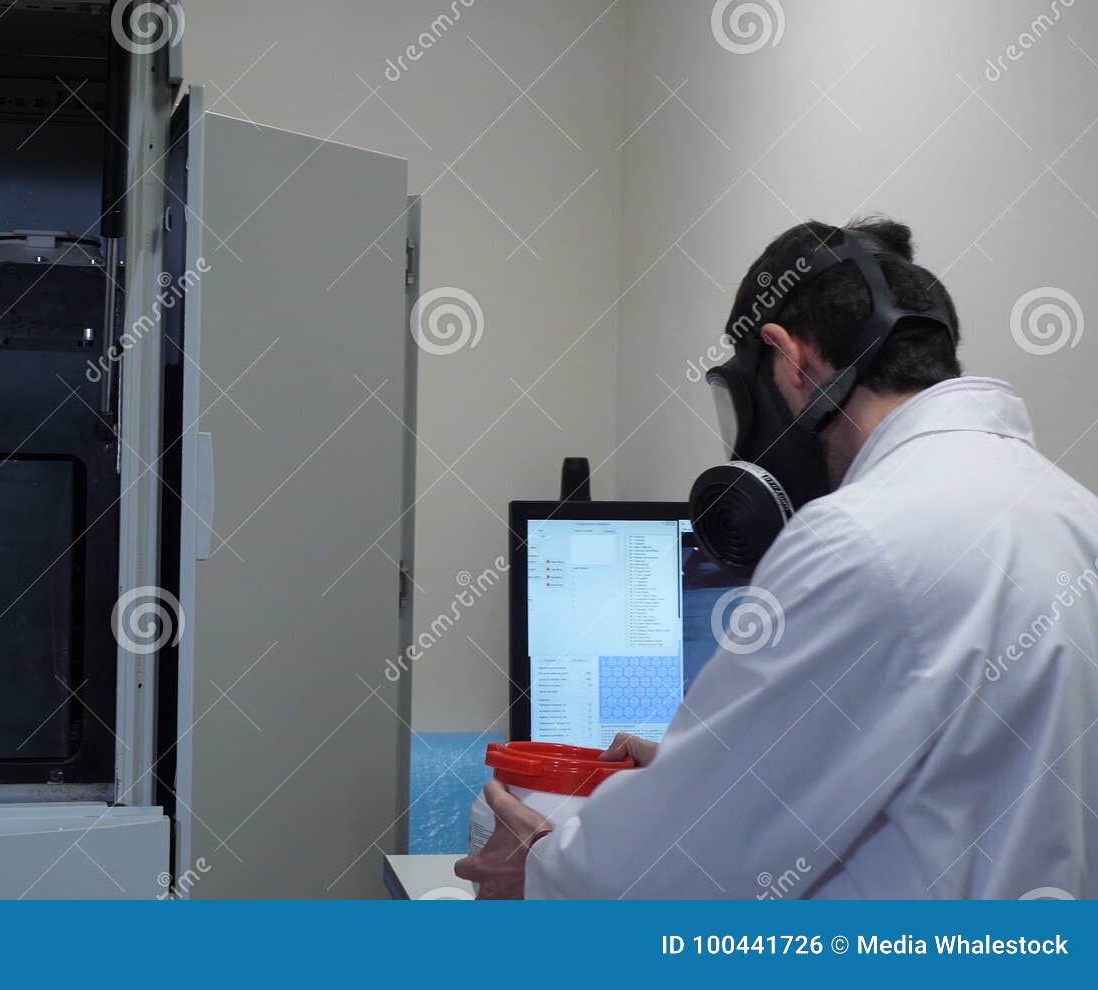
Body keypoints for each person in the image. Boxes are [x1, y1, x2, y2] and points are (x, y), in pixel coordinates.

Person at [456, 218, 1098, 899]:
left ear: (788, 359)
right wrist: (698, 767)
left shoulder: (859, 537)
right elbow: (954, 771)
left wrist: (534, 874)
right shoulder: (1072, 514)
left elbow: (684, 871)